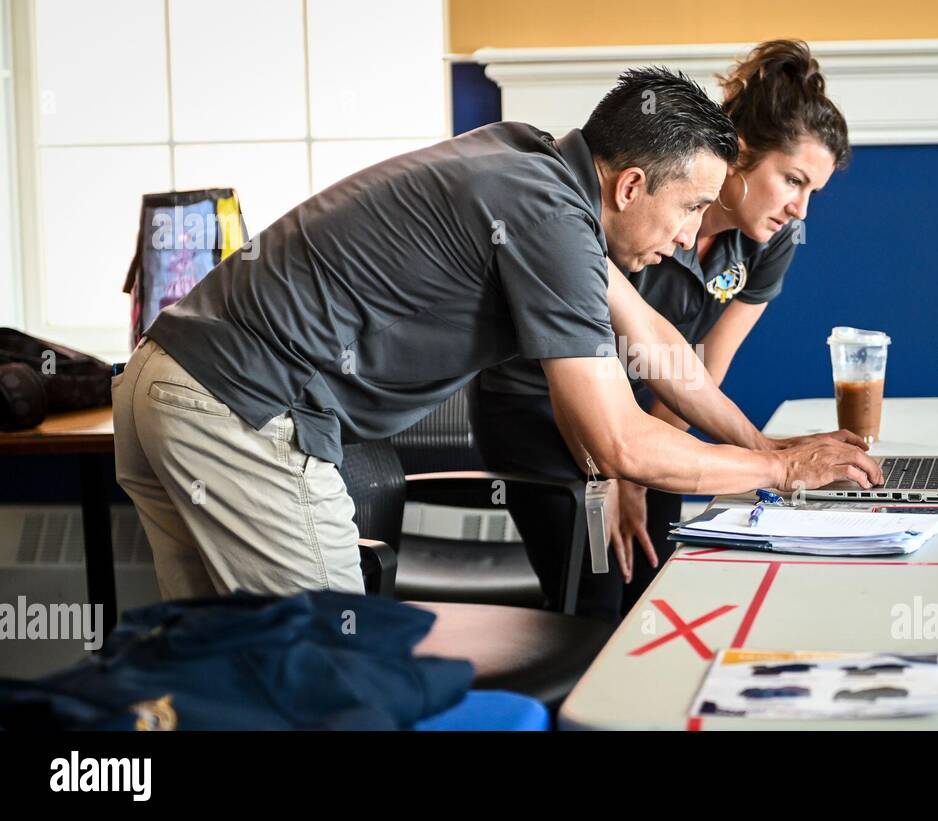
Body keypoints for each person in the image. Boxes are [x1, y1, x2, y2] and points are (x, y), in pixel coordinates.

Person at [112, 66, 880, 601]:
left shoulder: (533, 163)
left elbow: (653, 339)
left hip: (165, 380)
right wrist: (779, 475)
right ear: (632, 185)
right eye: (688, 209)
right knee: (327, 685)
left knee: (225, 680)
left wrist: (764, 445)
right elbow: (619, 444)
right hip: (245, 409)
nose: (687, 237)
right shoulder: (552, 219)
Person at [473, 41, 854, 622]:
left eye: (813, 192)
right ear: (743, 154)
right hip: (543, 397)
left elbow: (694, 362)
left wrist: (750, 447)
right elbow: (577, 365)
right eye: (793, 180)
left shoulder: (769, 241)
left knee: (659, 566)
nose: (801, 209)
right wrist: (623, 467)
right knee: (600, 590)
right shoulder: (624, 213)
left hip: (641, 409)